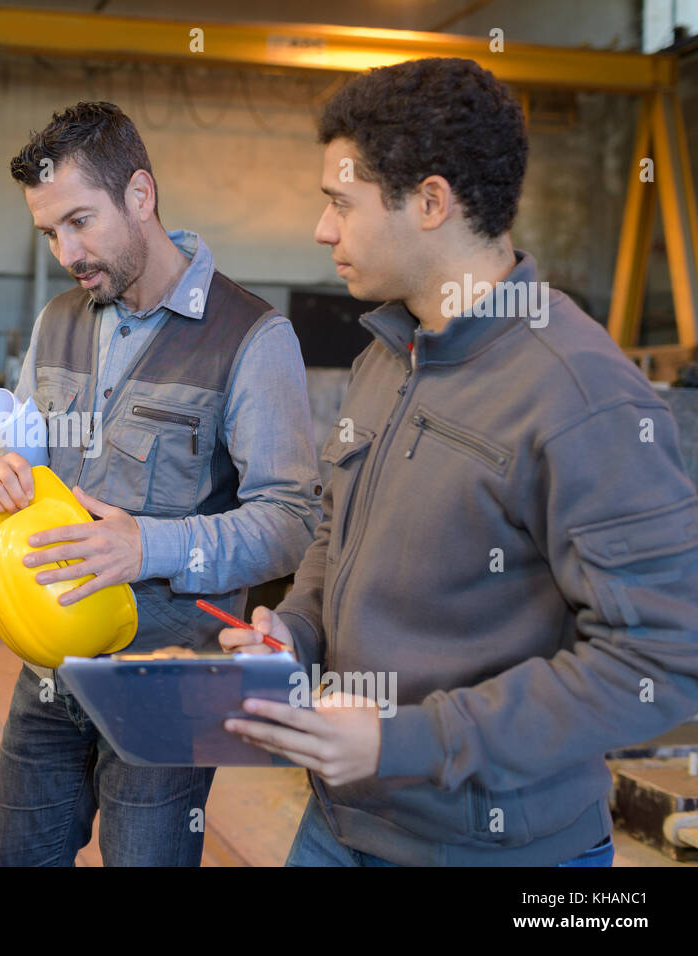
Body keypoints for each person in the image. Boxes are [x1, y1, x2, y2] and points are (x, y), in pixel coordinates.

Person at [219, 57, 698, 866]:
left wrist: (407, 739)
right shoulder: (386, 353)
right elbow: (338, 535)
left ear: (431, 202)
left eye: (340, 202)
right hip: (340, 825)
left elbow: (661, 659)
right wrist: (294, 630)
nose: (322, 229)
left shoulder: (580, 394)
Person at [0, 101, 321, 866]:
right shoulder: (56, 319)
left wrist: (147, 547)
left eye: (80, 222)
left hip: (169, 680)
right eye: (49, 233)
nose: (67, 252)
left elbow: (292, 519)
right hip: (51, 670)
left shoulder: (253, 338)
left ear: (140, 196)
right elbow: (18, 450)